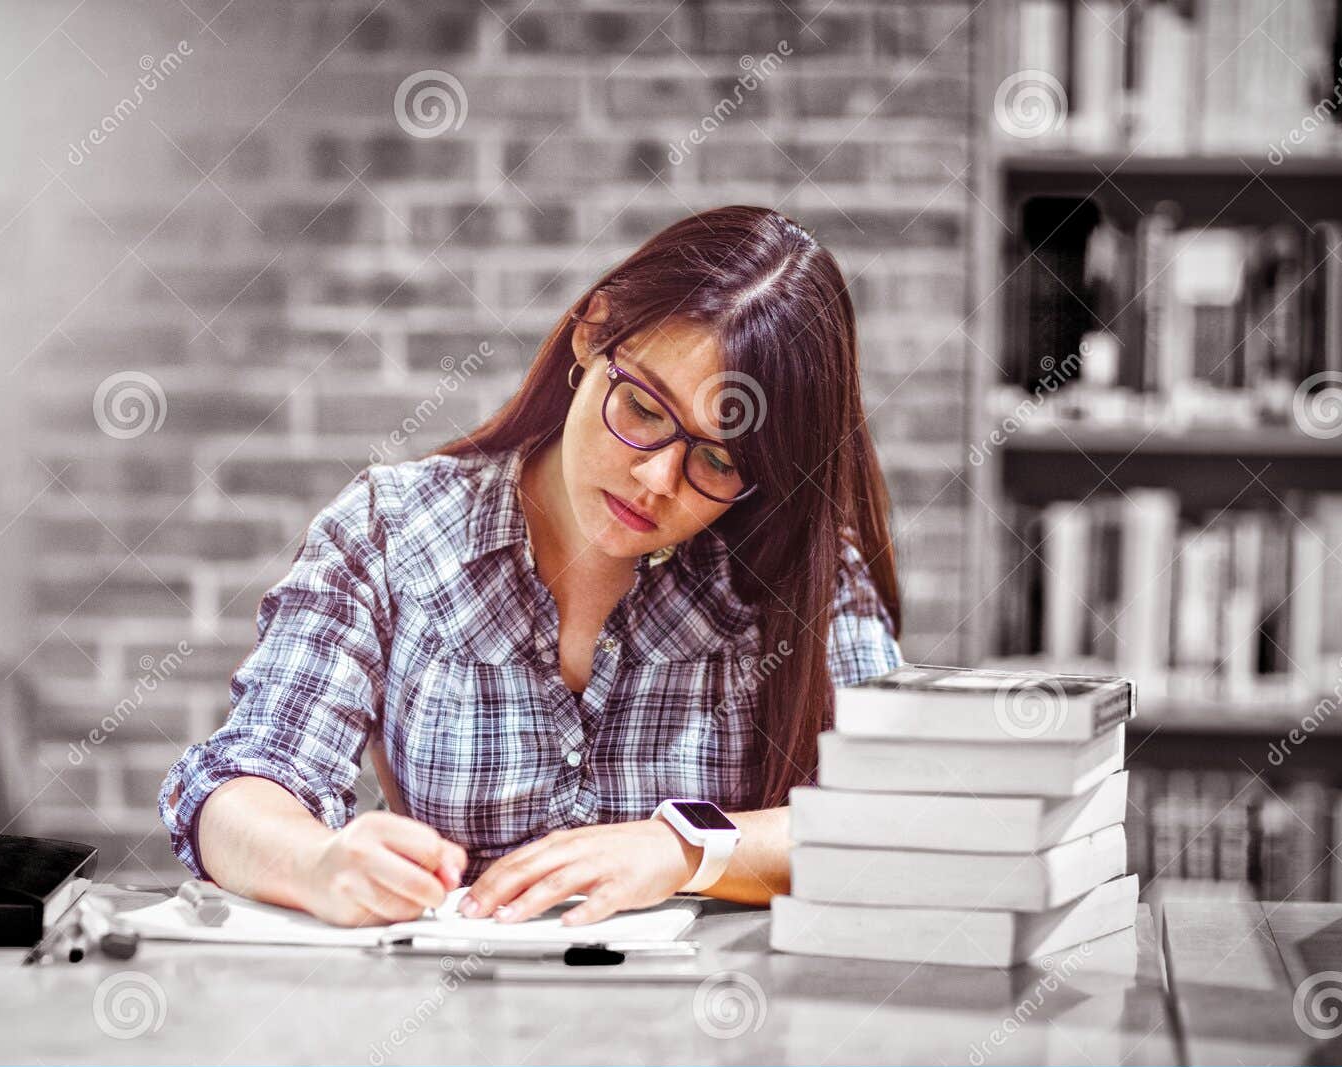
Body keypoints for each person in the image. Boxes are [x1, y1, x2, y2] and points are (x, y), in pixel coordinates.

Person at [158, 205, 902, 927]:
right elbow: (239, 784)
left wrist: (683, 848)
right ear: (593, 332)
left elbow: (892, 817)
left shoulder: (798, 569)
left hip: (707, 1010)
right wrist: (317, 863)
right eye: (644, 410)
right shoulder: (394, 531)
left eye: (717, 460)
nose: (656, 479)